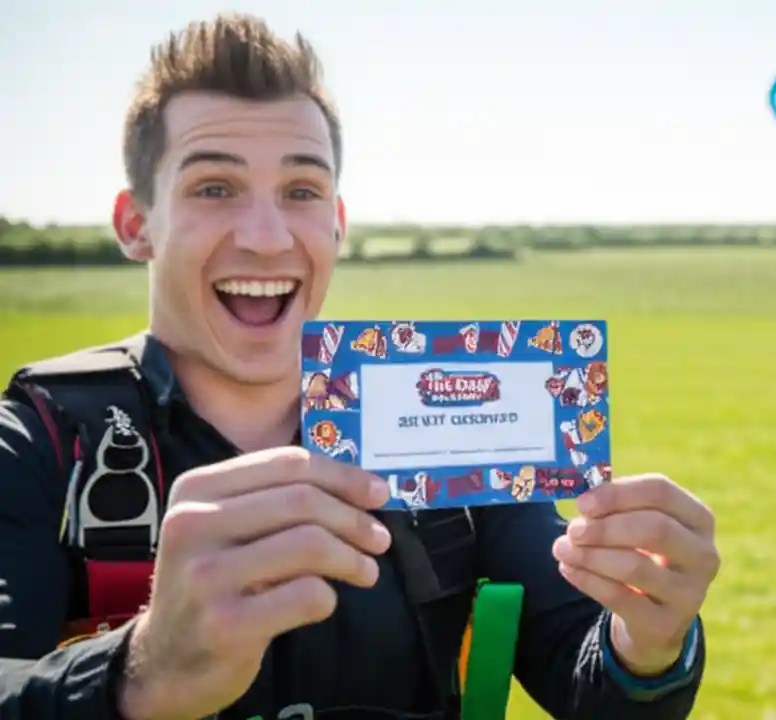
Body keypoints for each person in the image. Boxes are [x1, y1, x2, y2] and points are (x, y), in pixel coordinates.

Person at [0, 13, 719, 719]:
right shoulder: (44, 437)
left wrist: (648, 640)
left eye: (302, 191)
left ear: (336, 223)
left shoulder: (456, 423)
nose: (265, 236)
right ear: (136, 224)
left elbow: (592, 684)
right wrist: (138, 676)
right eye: (213, 188)